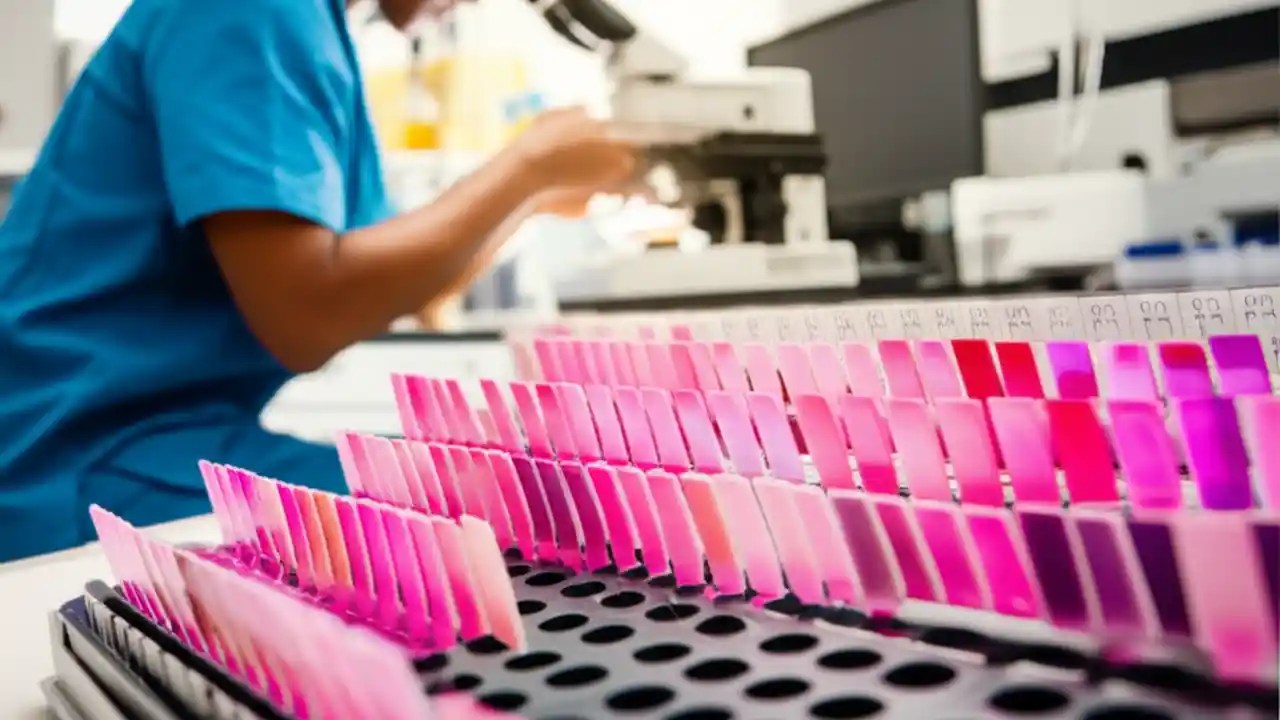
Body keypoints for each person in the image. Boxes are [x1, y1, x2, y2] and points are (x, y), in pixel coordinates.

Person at [0, 0, 635, 561]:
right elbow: (307, 315)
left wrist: (536, 192)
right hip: (72, 464)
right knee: (503, 512)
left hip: (147, 440)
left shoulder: (309, 26)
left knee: (487, 483)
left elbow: (406, 288)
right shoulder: (254, 11)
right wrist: (527, 169)